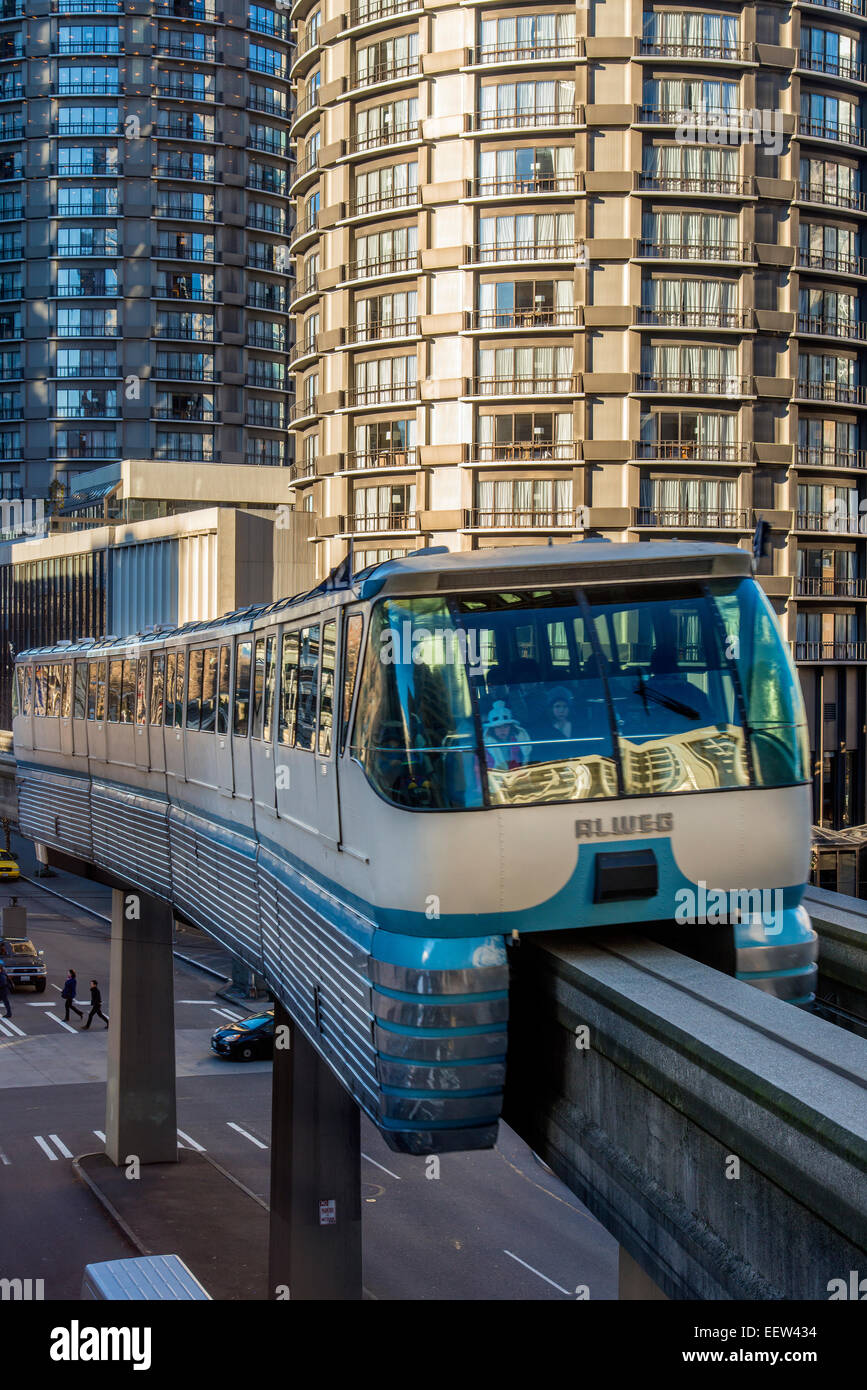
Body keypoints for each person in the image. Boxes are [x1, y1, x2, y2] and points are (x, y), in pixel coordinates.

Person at [483, 701, 531, 771]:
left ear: (511, 728)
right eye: (498, 727)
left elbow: (525, 763)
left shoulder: (518, 742)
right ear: (492, 730)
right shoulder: (486, 747)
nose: (502, 730)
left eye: (505, 726)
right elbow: (480, 770)